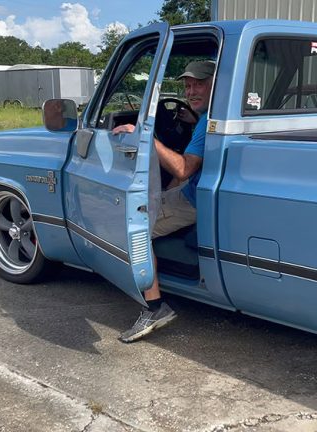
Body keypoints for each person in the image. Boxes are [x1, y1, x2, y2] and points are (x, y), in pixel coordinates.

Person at [111, 60, 215, 343]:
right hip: (195, 192)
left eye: (199, 85)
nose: (191, 91)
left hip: (193, 199)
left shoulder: (208, 122)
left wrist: (145, 138)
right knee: (149, 200)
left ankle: (155, 307)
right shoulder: (208, 116)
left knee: (133, 229)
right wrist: (193, 121)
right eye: (187, 86)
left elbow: (183, 170)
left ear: (215, 85)